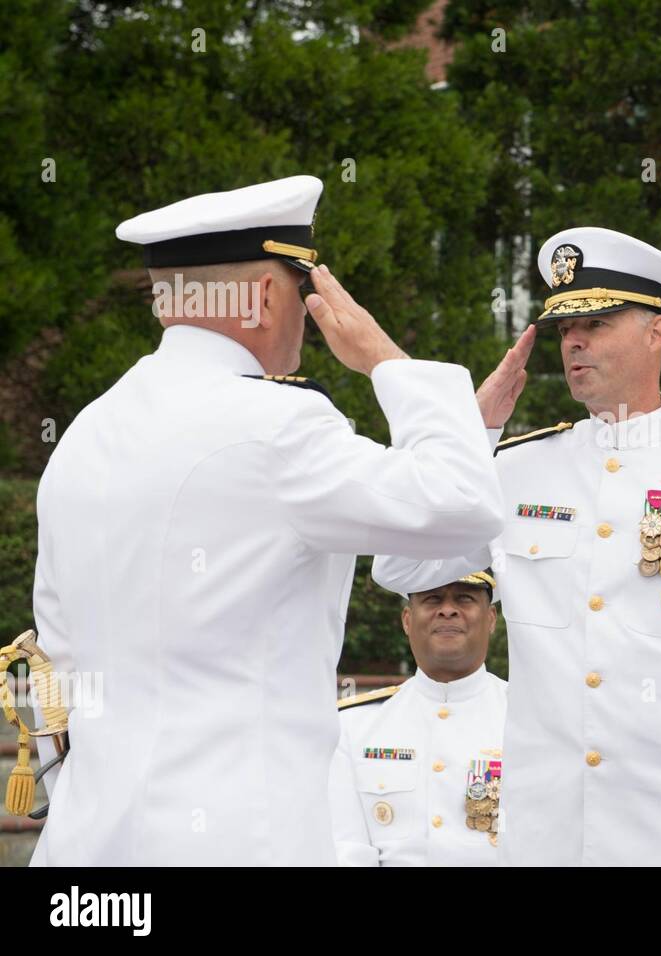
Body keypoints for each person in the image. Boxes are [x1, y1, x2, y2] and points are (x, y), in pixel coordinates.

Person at [29, 175, 504, 866]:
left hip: (89, 847)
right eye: (304, 295)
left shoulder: (86, 433)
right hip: (238, 842)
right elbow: (463, 505)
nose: (311, 320)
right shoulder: (277, 425)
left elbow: (58, 669)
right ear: (264, 296)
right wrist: (385, 360)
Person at [375, 227, 661, 866]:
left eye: (598, 323)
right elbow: (401, 565)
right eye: (562, 329)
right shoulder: (515, 467)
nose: (574, 342)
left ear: (656, 333)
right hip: (547, 831)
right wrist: (472, 433)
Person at [330, 560, 507, 866]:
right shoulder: (353, 727)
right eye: (432, 598)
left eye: (465, 598)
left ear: (491, 618)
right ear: (407, 620)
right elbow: (346, 851)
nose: (448, 610)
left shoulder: (530, 720)